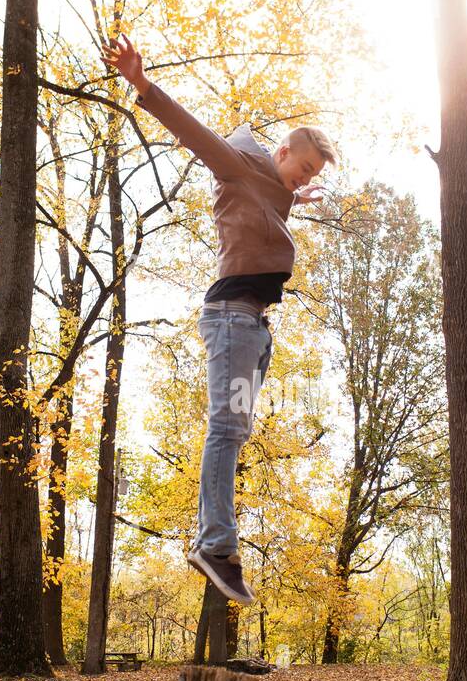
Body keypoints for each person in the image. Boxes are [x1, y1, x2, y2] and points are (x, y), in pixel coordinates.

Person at [103, 33, 336, 603]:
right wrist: (142, 84)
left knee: (236, 429)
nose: (303, 179)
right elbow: (196, 135)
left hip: (251, 328)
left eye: (310, 176)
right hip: (232, 319)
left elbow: (266, 205)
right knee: (227, 429)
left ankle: (216, 542)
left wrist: (292, 201)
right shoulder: (239, 164)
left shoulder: (272, 189)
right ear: (281, 151)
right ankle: (214, 544)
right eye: (301, 167)